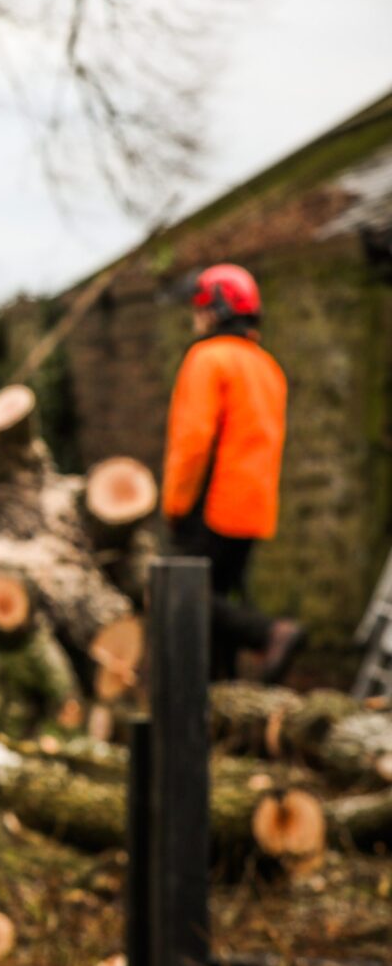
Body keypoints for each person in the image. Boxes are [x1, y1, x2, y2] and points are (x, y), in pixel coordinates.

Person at [162, 263, 304, 682]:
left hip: (210, 507)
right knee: (220, 604)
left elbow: (192, 442)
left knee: (180, 594)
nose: (195, 316)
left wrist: (175, 503)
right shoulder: (267, 367)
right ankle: (223, 696)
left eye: (199, 307)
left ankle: (269, 634)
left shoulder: (207, 359)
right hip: (252, 512)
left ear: (215, 310)